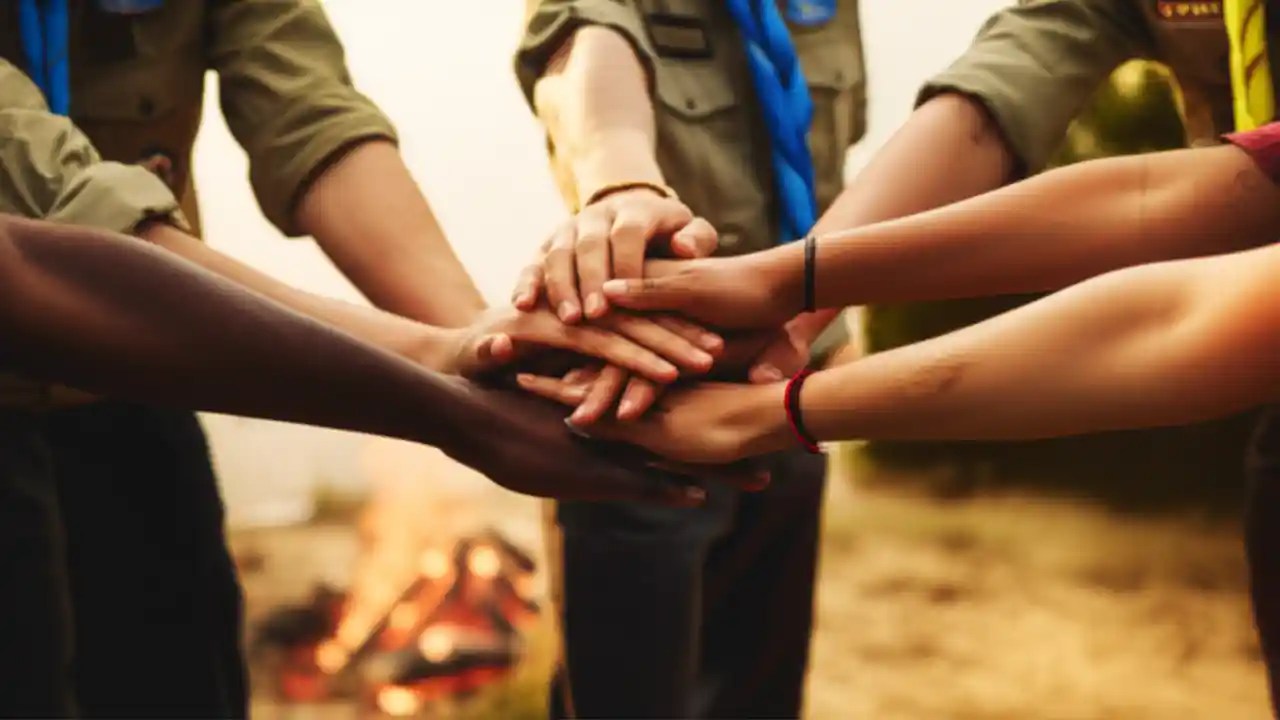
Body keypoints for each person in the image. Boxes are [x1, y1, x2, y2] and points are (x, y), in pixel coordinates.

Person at [518, 0, 1280, 710]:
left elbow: (1192, 293)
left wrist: (782, 362)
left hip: (764, 389)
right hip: (681, 386)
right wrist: (784, 303)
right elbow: (1020, 109)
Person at [0, 2, 717, 716]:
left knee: (183, 684)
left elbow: (307, 111)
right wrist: (440, 374)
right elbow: (49, 227)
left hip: (148, 379)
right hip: (99, 344)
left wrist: (484, 340)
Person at [513, 1, 865, 716]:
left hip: (795, 393)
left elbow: (828, 161)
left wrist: (826, 330)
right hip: (644, 403)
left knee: (760, 695)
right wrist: (621, 179)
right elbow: (582, 49)